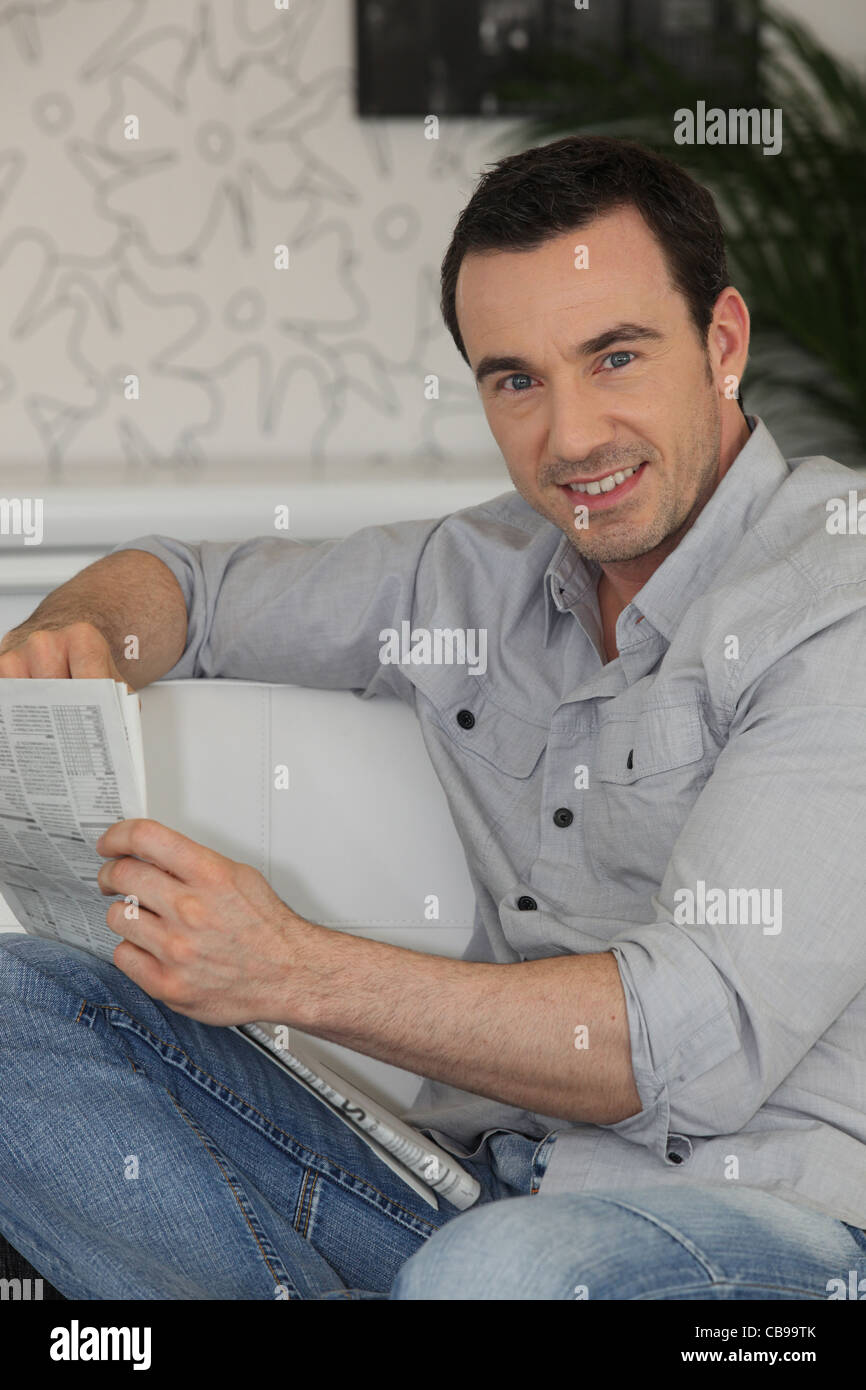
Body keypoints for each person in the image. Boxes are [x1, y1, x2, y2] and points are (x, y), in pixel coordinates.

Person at [0, 135, 864, 1301]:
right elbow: (185, 587)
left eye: (613, 356)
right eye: (516, 379)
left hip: (774, 1238)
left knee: (493, 1276)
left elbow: (685, 1040)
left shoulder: (831, 595)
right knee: (15, 1012)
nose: (567, 438)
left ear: (720, 343)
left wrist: (293, 970)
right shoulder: (472, 577)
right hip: (476, 1193)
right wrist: (82, 636)